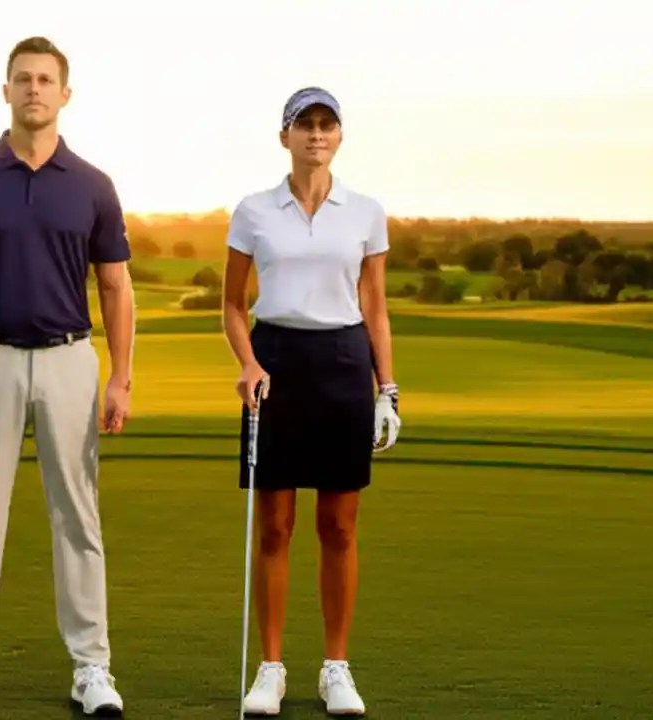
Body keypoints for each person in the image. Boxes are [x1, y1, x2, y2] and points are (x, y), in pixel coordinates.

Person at [0, 36, 134, 718]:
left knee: (79, 518)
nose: (34, 89)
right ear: (5, 91)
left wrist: (122, 377)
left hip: (72, 359)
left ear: (65, 94)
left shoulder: (94, 185)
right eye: (23, 79)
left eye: (46, 80)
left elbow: (116, 286)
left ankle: (91, 668)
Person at [221, 86, 401, 717]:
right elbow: (233, 306)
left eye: (326, 125)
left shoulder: (366, 212)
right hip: (276, 363)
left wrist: (388, 389)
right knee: (275, 527)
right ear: (285, 137)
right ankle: (270, 669)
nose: (316, 135)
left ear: (339, 136)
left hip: (343, 362)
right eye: (304, 125)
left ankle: (335, 667)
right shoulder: (253, 210)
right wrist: (248, 362)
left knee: (339, 527)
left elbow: (375, 306)